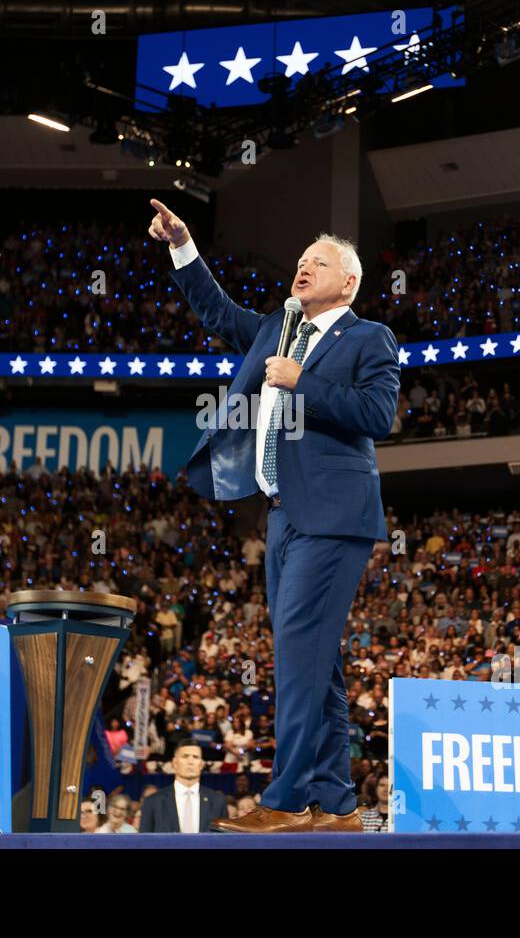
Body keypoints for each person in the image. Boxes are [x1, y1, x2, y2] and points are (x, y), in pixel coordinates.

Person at [148, 199, 398, 833]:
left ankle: (287, 799)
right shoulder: (277, 330)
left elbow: (378, 416)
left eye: (318, 261)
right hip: (282, 517)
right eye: (300, 260)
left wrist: (299, 383)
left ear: (349, 281)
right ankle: (338, 802)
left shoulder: (369, 337)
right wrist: (183, 248)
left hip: (335, 516)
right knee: (319, 660)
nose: (302, 267)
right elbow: (218, 311)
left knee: (294, 651)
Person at [138, 737, 228, 833]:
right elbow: (144, 842)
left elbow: (225, 843)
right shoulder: (153, 802)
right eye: (185, 756)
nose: (190, 762)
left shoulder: (218, 801)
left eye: (195, 757)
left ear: (201, 764)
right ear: (174, 763)